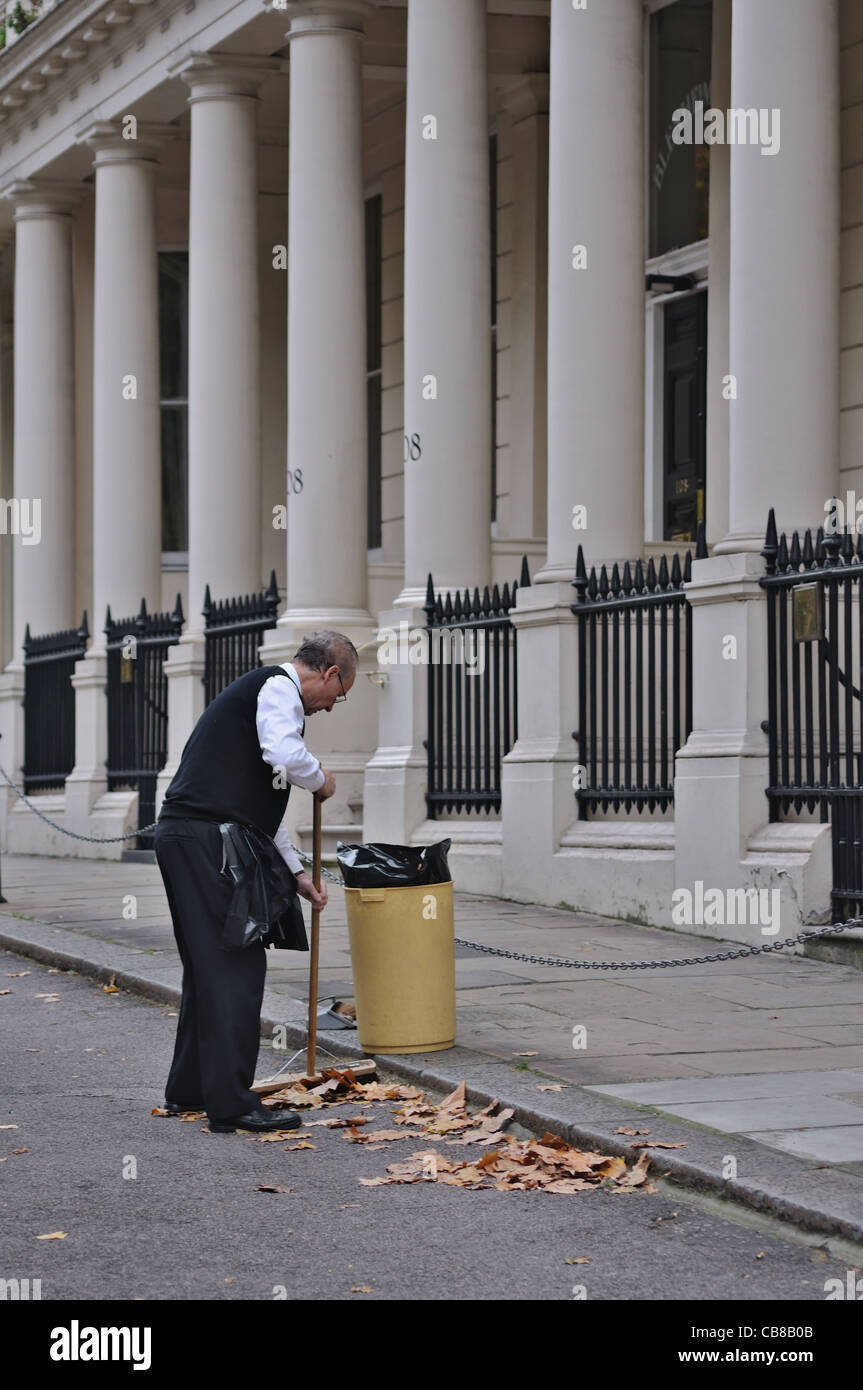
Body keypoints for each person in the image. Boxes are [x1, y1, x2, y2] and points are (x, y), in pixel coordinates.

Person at [153, 630, 357, 1133]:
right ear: (330, 673)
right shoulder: (276, 688)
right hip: (206, 841)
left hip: (196, 837)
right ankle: (232, 1106)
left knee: (209, 970)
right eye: (340, 694)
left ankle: (191, 1090)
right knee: (235, 968)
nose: (332, 707)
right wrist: (322, 779)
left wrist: (297, 873)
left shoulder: (266, 695)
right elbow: (287, 759)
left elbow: (258, 814)